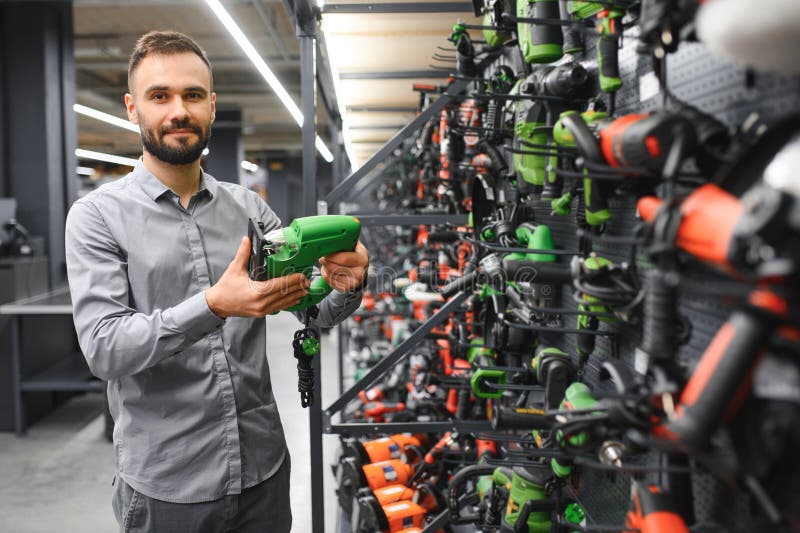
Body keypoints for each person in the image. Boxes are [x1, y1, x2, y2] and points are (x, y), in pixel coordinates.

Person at [65, 31, 368, 533]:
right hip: (168, 488)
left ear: (211, 105)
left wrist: (344, 284)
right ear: (133, 109)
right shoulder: (97, 217)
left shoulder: (249, 209)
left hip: (263, 473)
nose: (178, 110)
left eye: (193, 95)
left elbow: (313, 311)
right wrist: (214, 305)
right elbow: (104, 349)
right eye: (159, 96)